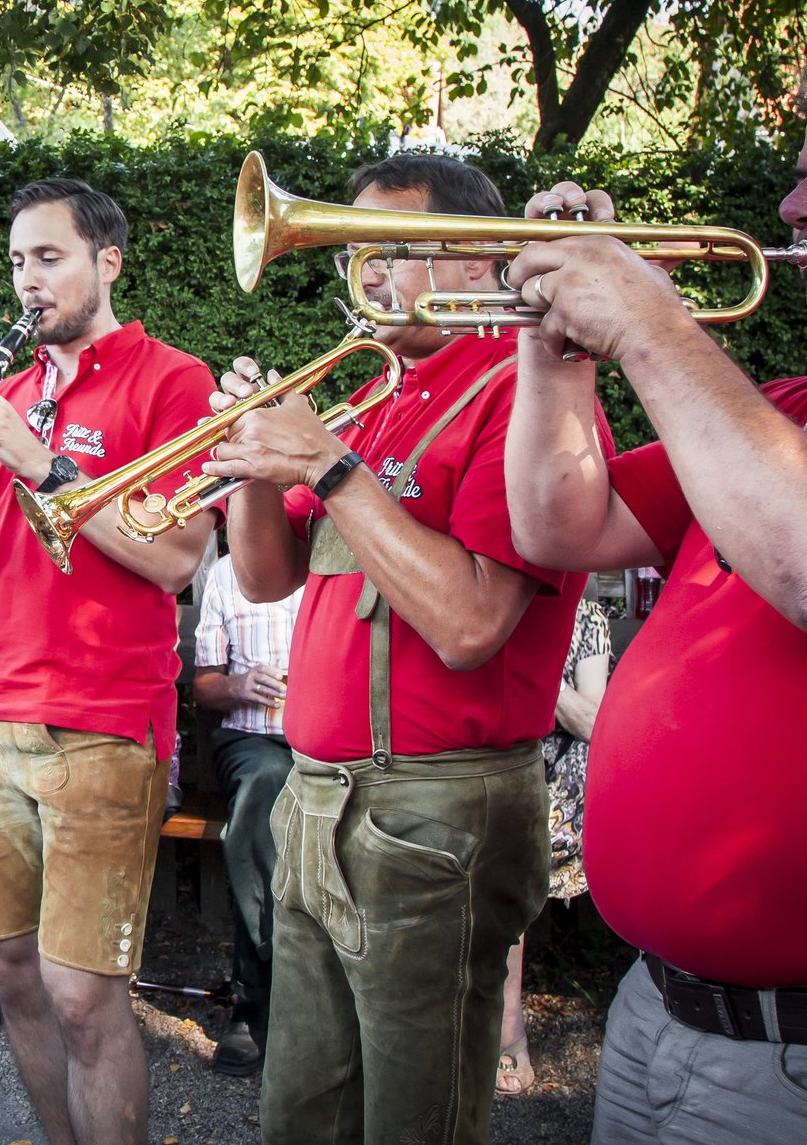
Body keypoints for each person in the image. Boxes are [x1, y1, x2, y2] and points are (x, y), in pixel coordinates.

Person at [500, 34, 807, 1141]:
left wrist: (647, 321)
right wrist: (557, 343)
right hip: (662, 1010)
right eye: (801, 168)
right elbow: (557, 522)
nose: (795, 200)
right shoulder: (786, 406)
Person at [203, 153, 610, 1144]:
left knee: (411, 1119)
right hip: (319, 796)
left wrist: (329, 466)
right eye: (356, 255)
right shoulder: (379, 390)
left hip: (435, 808)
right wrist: (254, 466)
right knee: (302, 1110)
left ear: (474, 260)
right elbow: (264, 577)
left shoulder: (522, 397)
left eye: (390, 252)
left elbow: (470, 624)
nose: (367, 278)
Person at [0, 178, 219, 1145]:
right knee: (12, 977)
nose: (29, 280)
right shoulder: (12, 396)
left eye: (50, 257)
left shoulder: (172, 381)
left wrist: (40, 461)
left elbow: (175, 560)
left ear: (107, 262)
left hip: (103, 725)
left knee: (83, 994)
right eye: (19, 262)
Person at [190, 551, 303, 1077]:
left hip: (336, 742)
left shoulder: (345, 552)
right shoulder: (226, 573)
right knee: (267, 785)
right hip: (252, 739)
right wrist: (241, 685)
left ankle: (323, 1002)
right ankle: (257, 999)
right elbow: (205, 686)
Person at [495, 591, 610, 1095]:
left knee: (510, 838)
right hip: (481, 758)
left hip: (555, 771)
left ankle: (506, 1025)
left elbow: (593, 723)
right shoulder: (486, 594)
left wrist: (536, 673)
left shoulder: (584, 616)